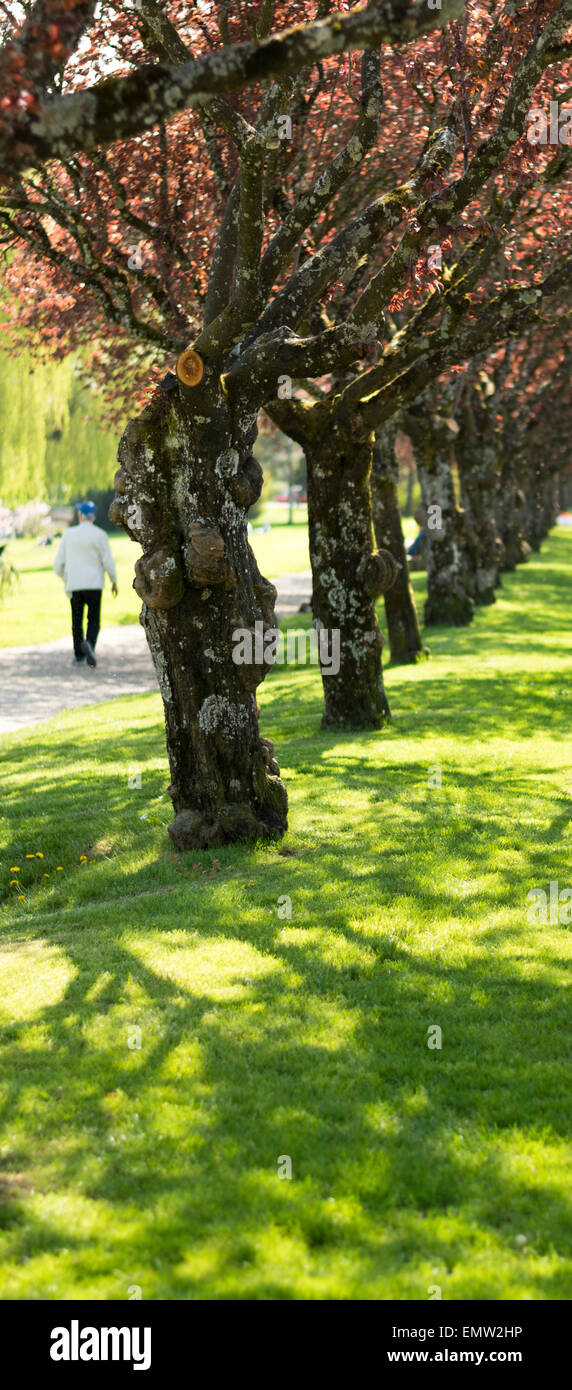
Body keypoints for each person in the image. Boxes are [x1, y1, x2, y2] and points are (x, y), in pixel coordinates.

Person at [53, 501, 118, 667]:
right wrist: (114, 580)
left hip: (75, 584)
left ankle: (79, 656)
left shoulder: (68, 534)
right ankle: (89, 643)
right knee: (93, 618)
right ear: (94, 516)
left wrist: (65, 577)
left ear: (81, 515)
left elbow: (57, 565)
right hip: (94, 584)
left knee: (76, 620)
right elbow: (108, 561)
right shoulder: (100, 535)